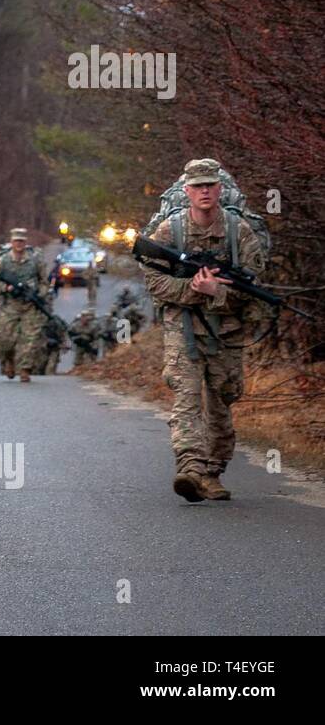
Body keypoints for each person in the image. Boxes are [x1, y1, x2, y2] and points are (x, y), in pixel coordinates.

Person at [141, 158, 265, 502]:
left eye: (210, 185)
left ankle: (213, 472)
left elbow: (252, 290)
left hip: (227, 330)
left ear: (220, 189)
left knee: (222, 403)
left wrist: (218, 292)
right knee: (187, 398)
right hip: (183, 328)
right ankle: (190, 469)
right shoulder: (169, 231)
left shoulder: (240, 233)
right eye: (198, 186)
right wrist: (192, 291)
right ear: (187, 192)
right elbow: (153, 281)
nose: (205, 191)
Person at [0, 227, 48, 382]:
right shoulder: (3, 261)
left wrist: (39, 294)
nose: (19, 244)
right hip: (10, 306)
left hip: (29, 306)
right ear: (12, 242)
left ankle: (25, 369)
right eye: (16, 241)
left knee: (30, 339)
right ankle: (9, 361)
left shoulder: (35, 261)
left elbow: (44, 282)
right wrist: (6, 288)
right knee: (5, 340)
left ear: (25, 242)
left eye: (22, 241)